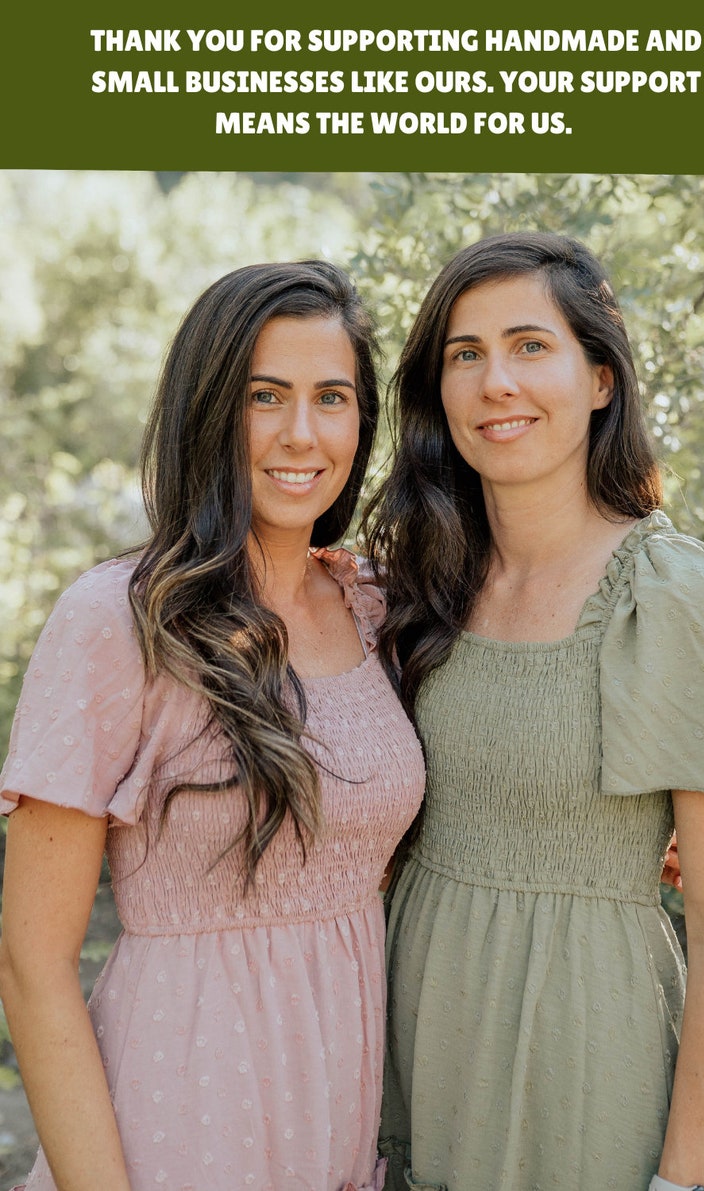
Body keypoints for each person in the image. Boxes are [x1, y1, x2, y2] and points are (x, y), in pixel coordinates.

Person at [365, 232, 704, 1191]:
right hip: (409, 1049)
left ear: (601, 378)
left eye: (529, 345)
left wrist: (685, 1182)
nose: (494, 381)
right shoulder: (418, 586)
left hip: (585, 1068)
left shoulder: (676, 598)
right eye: (464, 354)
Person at [0, 261, 425, 1190]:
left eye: (332, 397)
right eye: (262, 396)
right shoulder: (118, 619)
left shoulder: (370, 608)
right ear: (207, 407)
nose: (300, 433)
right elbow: (32, 964)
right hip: (179, 1122)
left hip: (347, 1122)